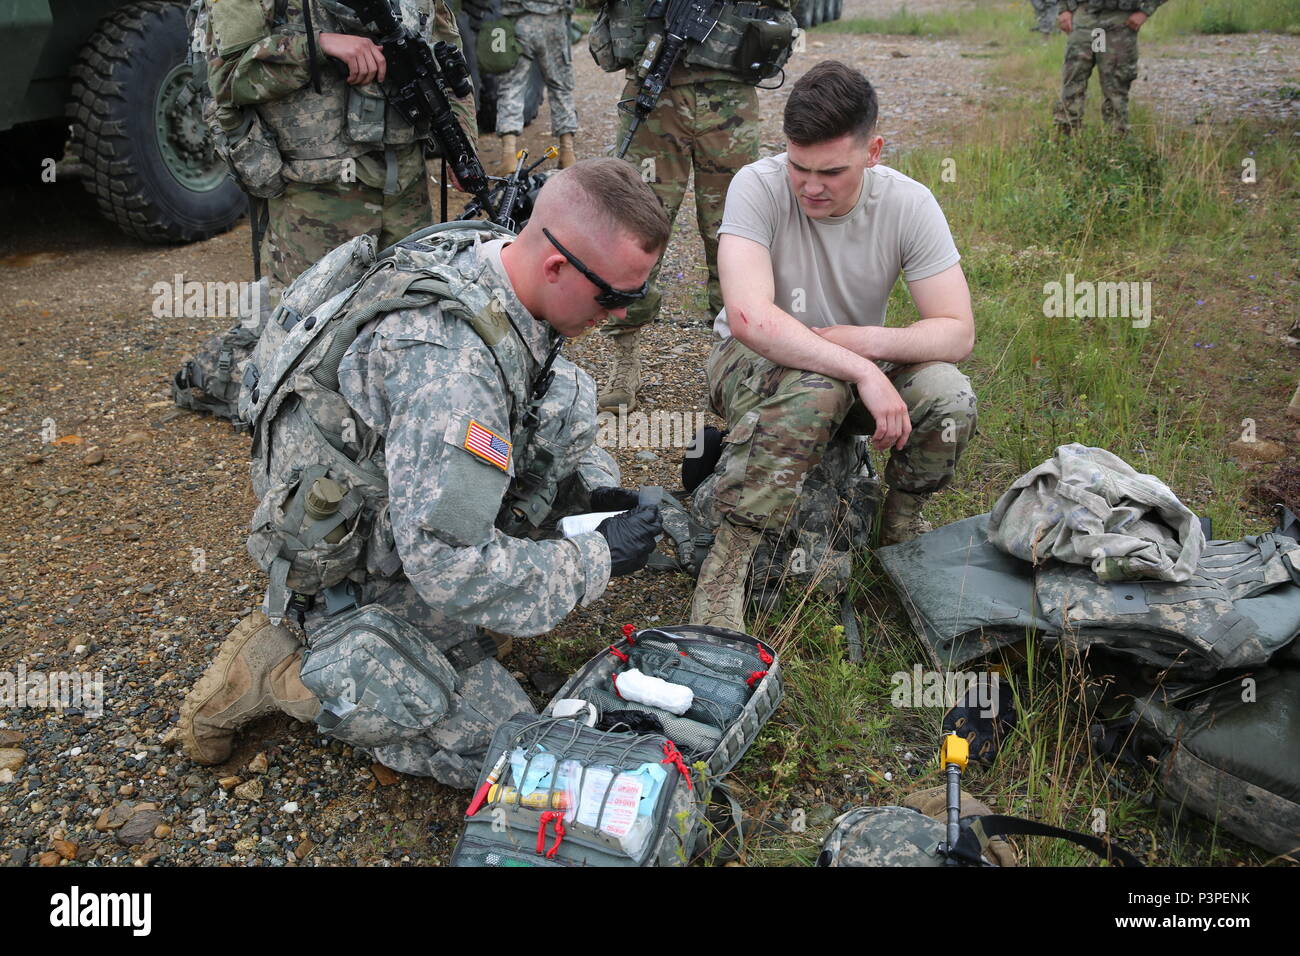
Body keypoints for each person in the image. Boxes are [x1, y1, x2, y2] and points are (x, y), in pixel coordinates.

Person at [176, 159, 670, 787]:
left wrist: (589, 492)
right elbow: (448, 568)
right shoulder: (451, 373)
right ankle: (294, 658)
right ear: (556, 267)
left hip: (406, 494)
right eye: (616, 297)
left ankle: (447, 626)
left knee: (572, 402)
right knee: (508, 756)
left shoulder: (491, 256)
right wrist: (595, 560)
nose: (622, 315)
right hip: (350, 553)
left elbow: (539, 405)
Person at [689, 61, 977, 631]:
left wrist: (863, 344)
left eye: (831, 171)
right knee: (820, 389)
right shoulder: (757, 185)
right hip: (753, 364)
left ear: (873, 152)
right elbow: (749, 316)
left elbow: (956, 330)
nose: (811, 187)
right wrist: (861, 370)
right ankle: (725, 571)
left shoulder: (909, 203)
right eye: (799, 167)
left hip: (847, 359)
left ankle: (898, 526)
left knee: (949, 395)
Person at [587, 0, 796, 412]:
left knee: (735, 231)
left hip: (729, 95)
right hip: (654, 88)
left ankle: (738, 356)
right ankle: (625, 357)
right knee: (636, 227)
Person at [202, 0, 479, 290]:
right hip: (317, 197)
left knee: (410, 318)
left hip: (408, 194)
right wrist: (318, 46)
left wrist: (463, 140)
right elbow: (225, 80)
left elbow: (447, 57)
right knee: (314, 326)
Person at [1053, 0, 1168, 136]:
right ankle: (1065, 137)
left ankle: (1116, 141)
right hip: (1085, 16)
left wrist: (1145, 11)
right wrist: (1064, 9)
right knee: (1074, 76)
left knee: (1116, 82)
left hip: (1121, 20)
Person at [495, 0, 579, 173]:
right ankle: (567, 153)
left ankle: (508, 155)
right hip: (554, 20)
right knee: (560, 85)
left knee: (511, 85)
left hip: (517, 20)